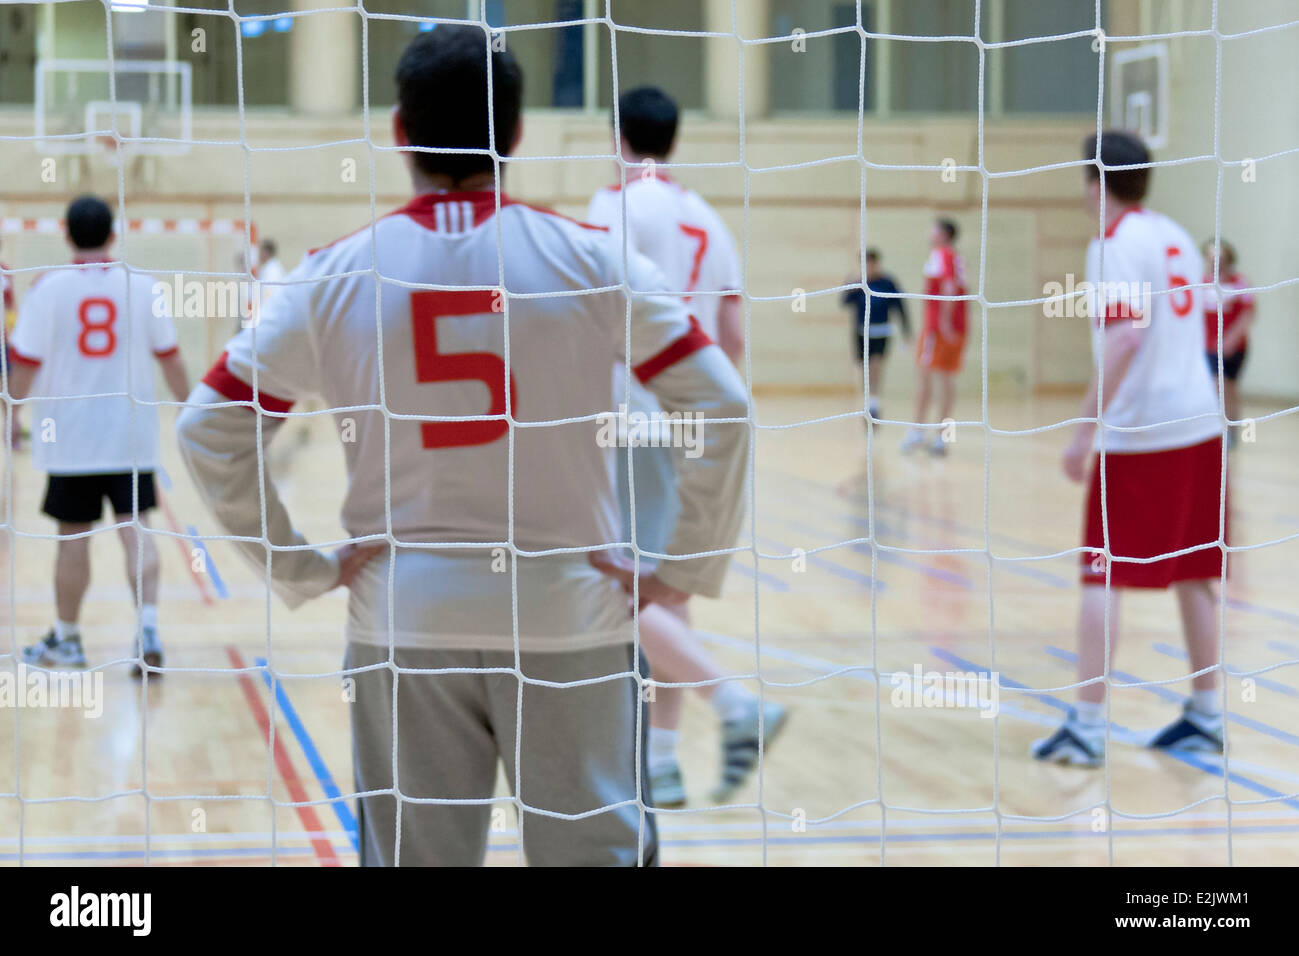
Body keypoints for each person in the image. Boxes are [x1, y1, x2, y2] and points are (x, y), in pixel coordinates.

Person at [176, 26, 749, 866]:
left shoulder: (335, 273)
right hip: (570, 613)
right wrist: (683, 572)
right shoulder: (591, 260)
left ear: (400, 132)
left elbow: (208, 426)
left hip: (405, 616)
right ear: (514, 136)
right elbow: (723, 405)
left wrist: (300, 568)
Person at [586, 85, 784, 808]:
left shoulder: (613, 208)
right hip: (693, 419)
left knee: (614, 583)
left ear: (618, 136)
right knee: (664, 587)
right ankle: (661, 762)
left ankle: (735, 705)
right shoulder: (707, 217)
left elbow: (591, 318)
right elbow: (730, 338)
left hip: (631, 419)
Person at [1034, 131, 1225, 766]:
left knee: (1101, 569)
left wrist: (1085, 428)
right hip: (1200, 420)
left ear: (1096, 182)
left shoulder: (1112, 245)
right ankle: (1206, 714)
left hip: (1146, 431)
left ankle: (1087, 726)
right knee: (1196, 570)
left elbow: (1123, 340)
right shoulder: (1171, 233)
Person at [5, 195, 191, 674]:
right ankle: (147, 630)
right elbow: (170, 358)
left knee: (73, 540)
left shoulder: (47, 289)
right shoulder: (142, 286)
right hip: (130, 437)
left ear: (66, 233)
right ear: (114, 233)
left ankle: (67, 640)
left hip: (70, 439)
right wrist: (191, 411)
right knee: (137, 530)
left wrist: (10, 418)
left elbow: (23, 365)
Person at [902, 218, 967, 455]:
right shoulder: (954, 256)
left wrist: (943, 322)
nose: (929, 232)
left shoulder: (943, 254)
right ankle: (941, 436)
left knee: (924, 378)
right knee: (946, 380)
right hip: (955, 328)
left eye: (933, 228)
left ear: (943, 234)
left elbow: (949, 286)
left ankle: (918, 431)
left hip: (938, 330)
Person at [842, 248, 910, 422]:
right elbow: (844, 302)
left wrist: (906, 331)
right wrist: (855, 284)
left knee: (876, 366)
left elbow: (900, 306)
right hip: (861, 332)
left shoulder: (887, 282)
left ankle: (874, 403)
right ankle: (868, 400)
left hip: (882, 331)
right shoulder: (857, 283)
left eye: (872, 263)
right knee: (864, 369)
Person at [1201, 238, 1255, 446]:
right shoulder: (1201, 282)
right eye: (1210, 257)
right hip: (1208, 347)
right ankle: (1215, 432)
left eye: (1220, 257)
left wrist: (1230, 340)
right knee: (1214, 386)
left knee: (1229, 387)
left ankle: (1231, 432)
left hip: (1234, 348)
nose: (1215, 261)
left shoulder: (1240, 282)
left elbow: (1248, 314)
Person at [2, 240, 21, 449]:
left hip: (1, 341)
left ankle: (11, 431)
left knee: (6, 388)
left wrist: (13, 334)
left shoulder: (4, 271)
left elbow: (11, 305)